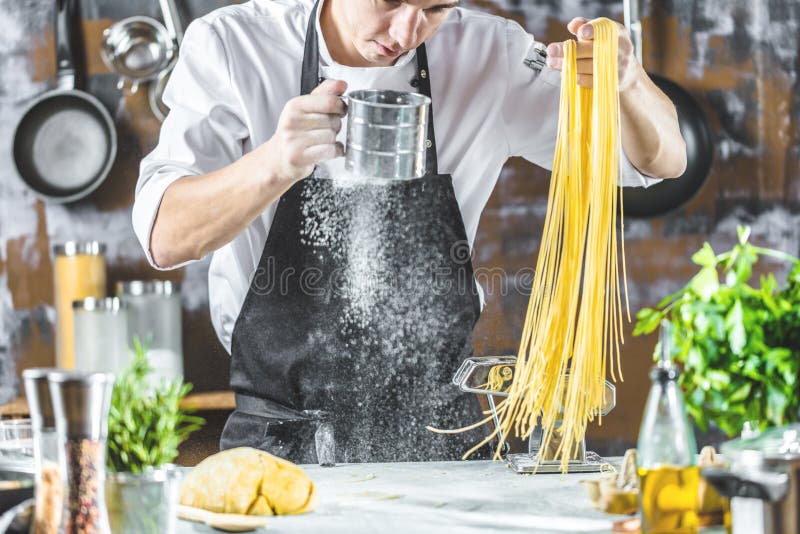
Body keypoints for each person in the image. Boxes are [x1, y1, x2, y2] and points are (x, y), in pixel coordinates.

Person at [133, 0, 686, 464]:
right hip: (280, 445)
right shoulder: (236, 46)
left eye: (434, 9)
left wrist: (629, 83)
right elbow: (166, 236)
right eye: (390, 1)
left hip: (441, 440)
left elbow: (658, 162)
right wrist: (274, 163)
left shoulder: (489, 54)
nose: (405, 32)